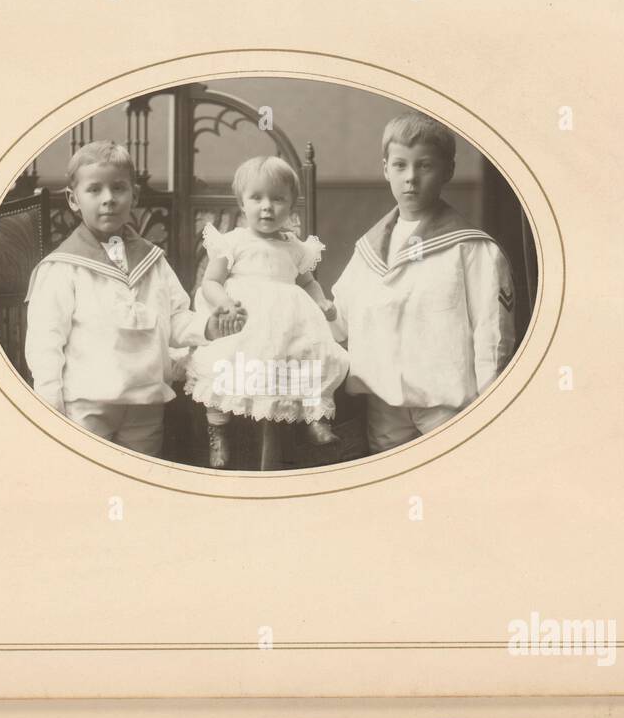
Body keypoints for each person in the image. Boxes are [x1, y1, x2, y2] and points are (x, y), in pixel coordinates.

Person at [24, 141, 243, 457]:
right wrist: (50, 406)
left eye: (118, 188)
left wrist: (210, 327)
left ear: (135, 196)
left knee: (140, 477)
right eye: (95, 190)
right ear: (73, 199)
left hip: (145, 399)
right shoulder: (64, 267)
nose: (109, 199)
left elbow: (177, 319)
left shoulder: (152, 260)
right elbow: (46, 342)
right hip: (86, 401)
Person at [330, 113, 516, 453]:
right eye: (400, 166)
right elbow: (338, 318)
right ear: (385, 169)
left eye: (425, 166)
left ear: (448, 171)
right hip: (384, 402)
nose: (411, 178)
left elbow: (493, 336)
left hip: (449, 405)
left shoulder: (471, 249)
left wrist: (490, 407)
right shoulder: (369, 250)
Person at [184, 155, 349, 468]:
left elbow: (309, 282)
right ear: (242, 203)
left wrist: (322, 301)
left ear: (291, 205)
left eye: (278, 199)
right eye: (256, 198)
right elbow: (211, 282)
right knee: (223, 363)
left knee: (313, 355)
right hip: (245, 319)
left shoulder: (296, 247)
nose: (267, 207)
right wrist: (224, 304)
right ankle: (217, 430)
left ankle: (314, 417)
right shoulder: (232, 242)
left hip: (288, 321)